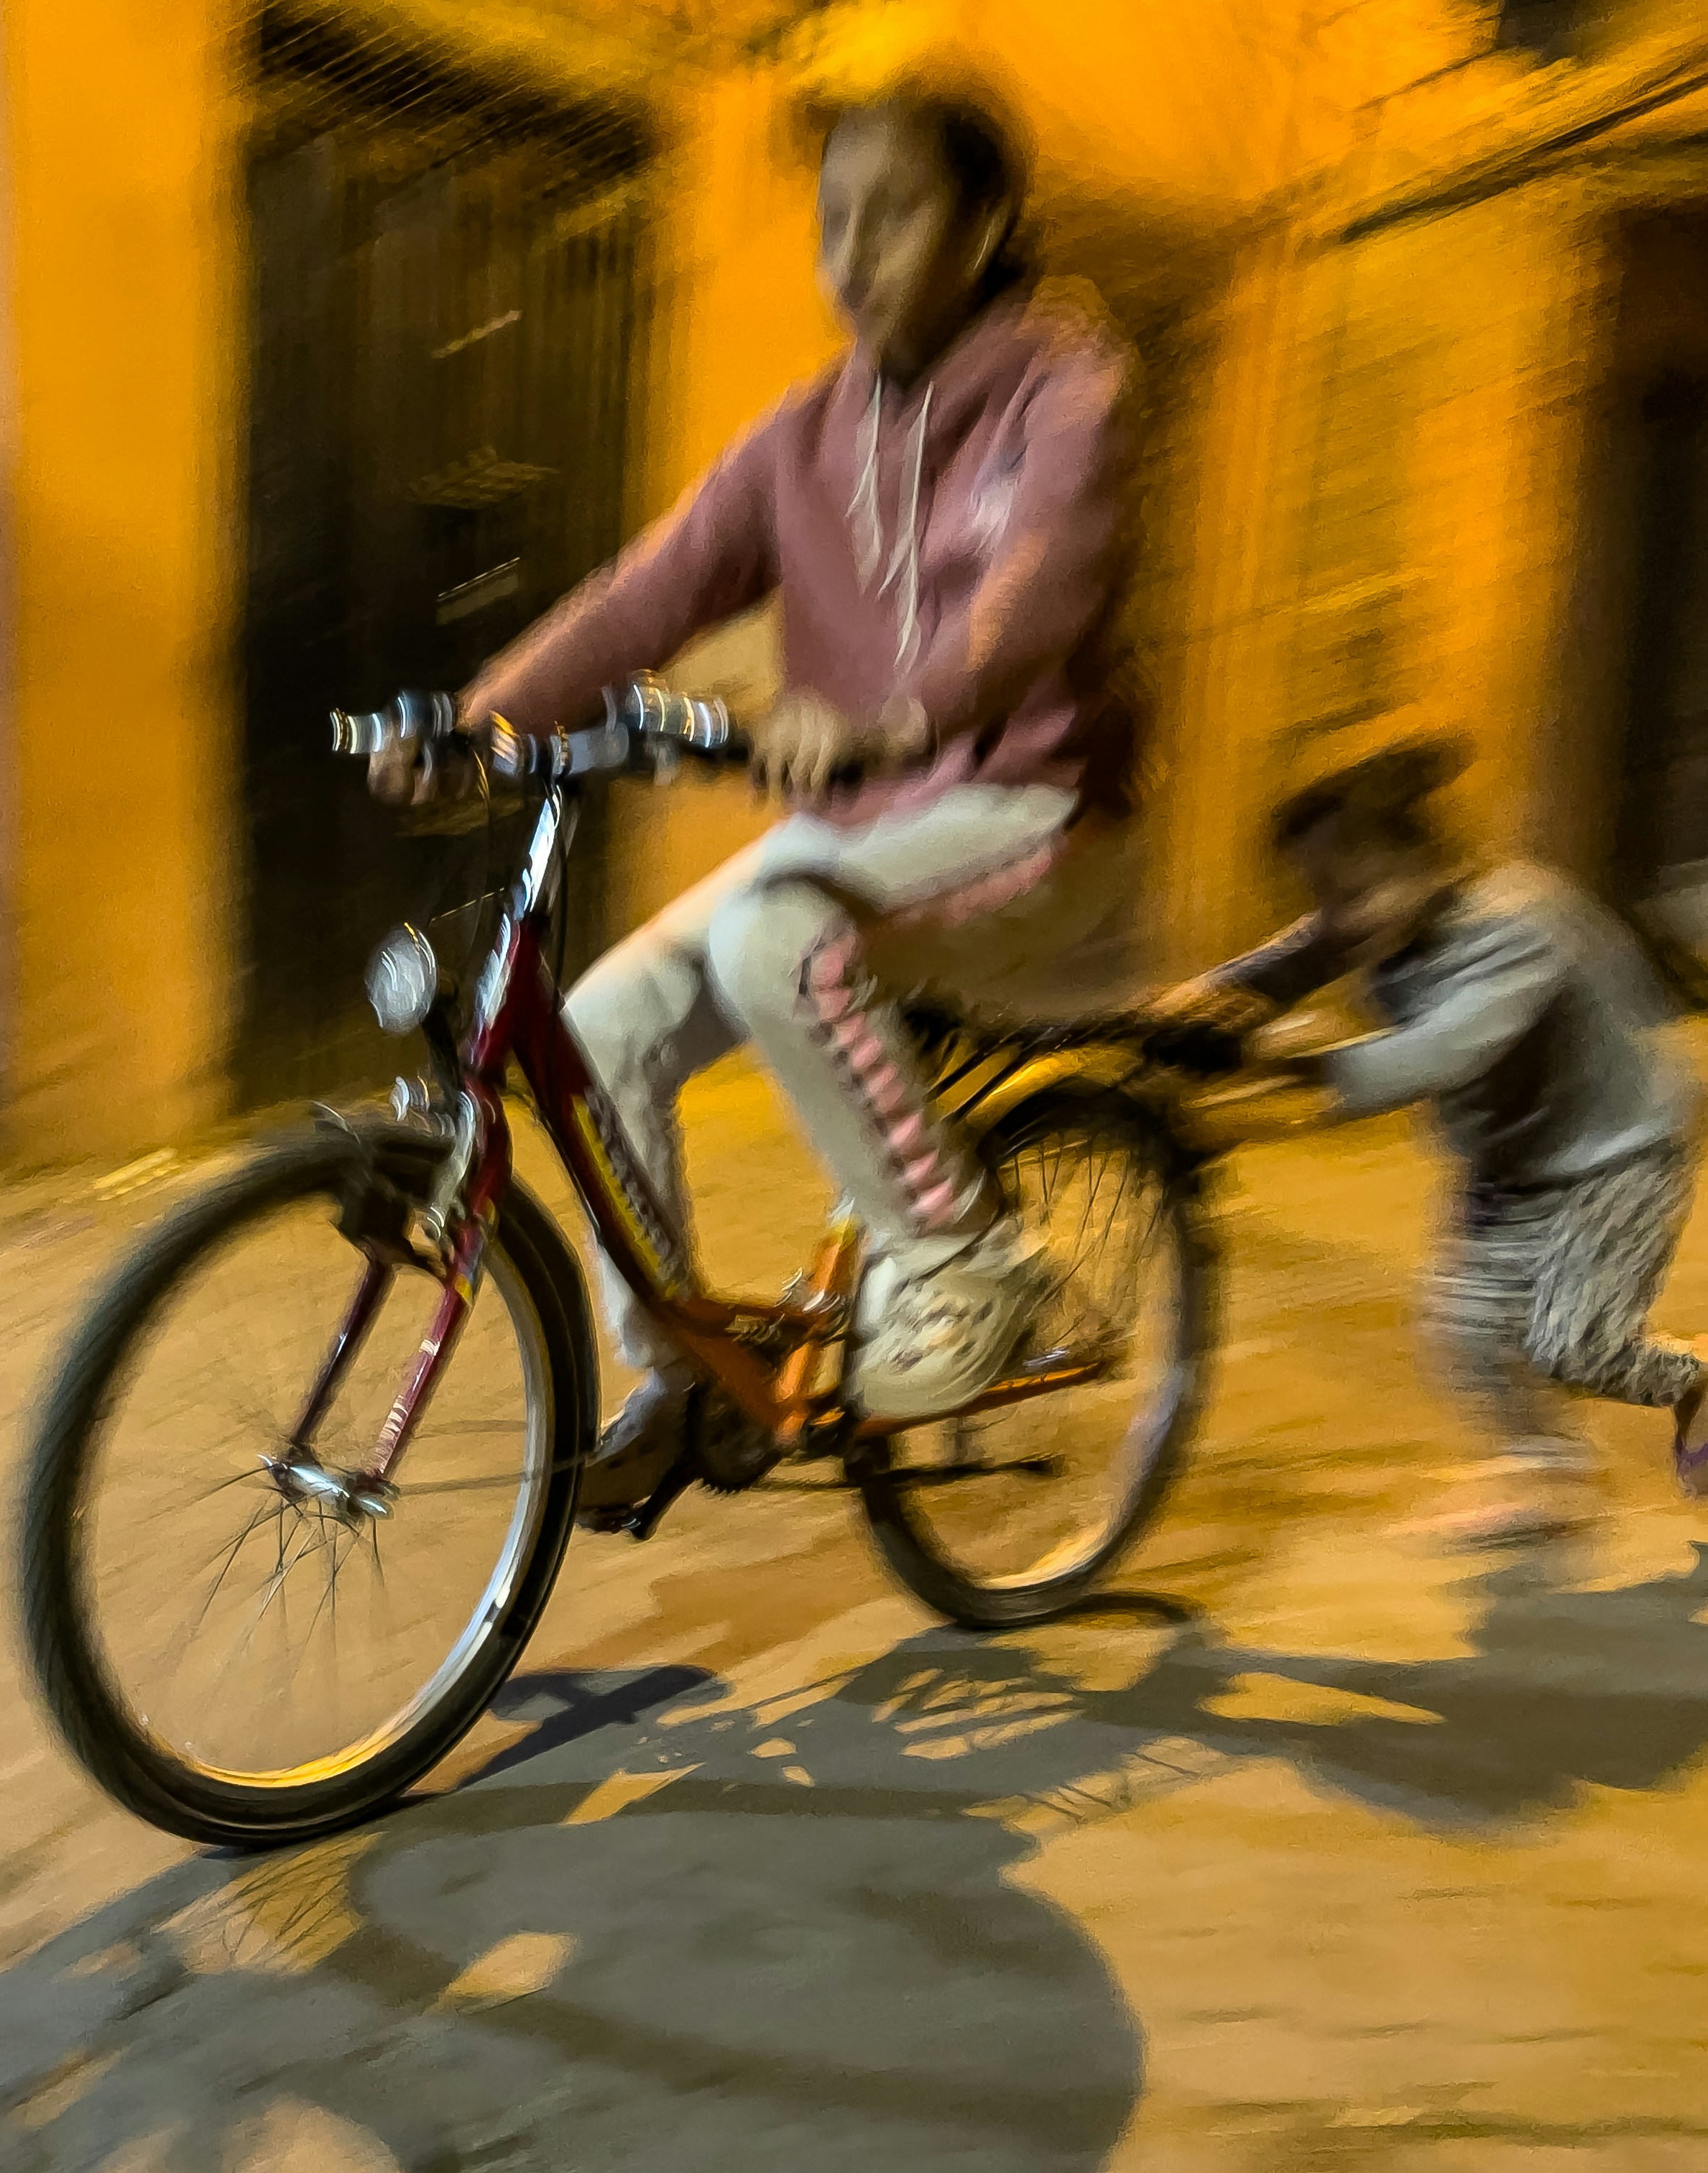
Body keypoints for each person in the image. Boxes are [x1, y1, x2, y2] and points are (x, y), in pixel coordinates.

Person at [373, 78, 1145, 1515]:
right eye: (830, 220)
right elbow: (641, 599)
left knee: (771, 936)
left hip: (1029, 810)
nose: (852, 253)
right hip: (866, 824)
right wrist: (479, 724)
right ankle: (677, 1373)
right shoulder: (803, 437)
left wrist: (887, 717)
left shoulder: (1065, 387)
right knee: (599, 1028)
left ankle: (961, 1261)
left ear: (985, 229)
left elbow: (1032, 602)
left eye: (894, 214)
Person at [1146, 739, 1708, 1547]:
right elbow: (1268, 971)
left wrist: (1265, 1065)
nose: (1342, 918)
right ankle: (1546, 1473)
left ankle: (1694, 1381)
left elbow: (1440, 1052)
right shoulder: (1373, 924)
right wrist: (1172, 1016)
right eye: (1322, 896)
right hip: (1509, 1159)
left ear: (1426, 858)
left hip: (1616, 1155)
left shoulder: (1519, 923)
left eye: (1358, 889)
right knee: (1467, 1328)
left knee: (1572, 1347)